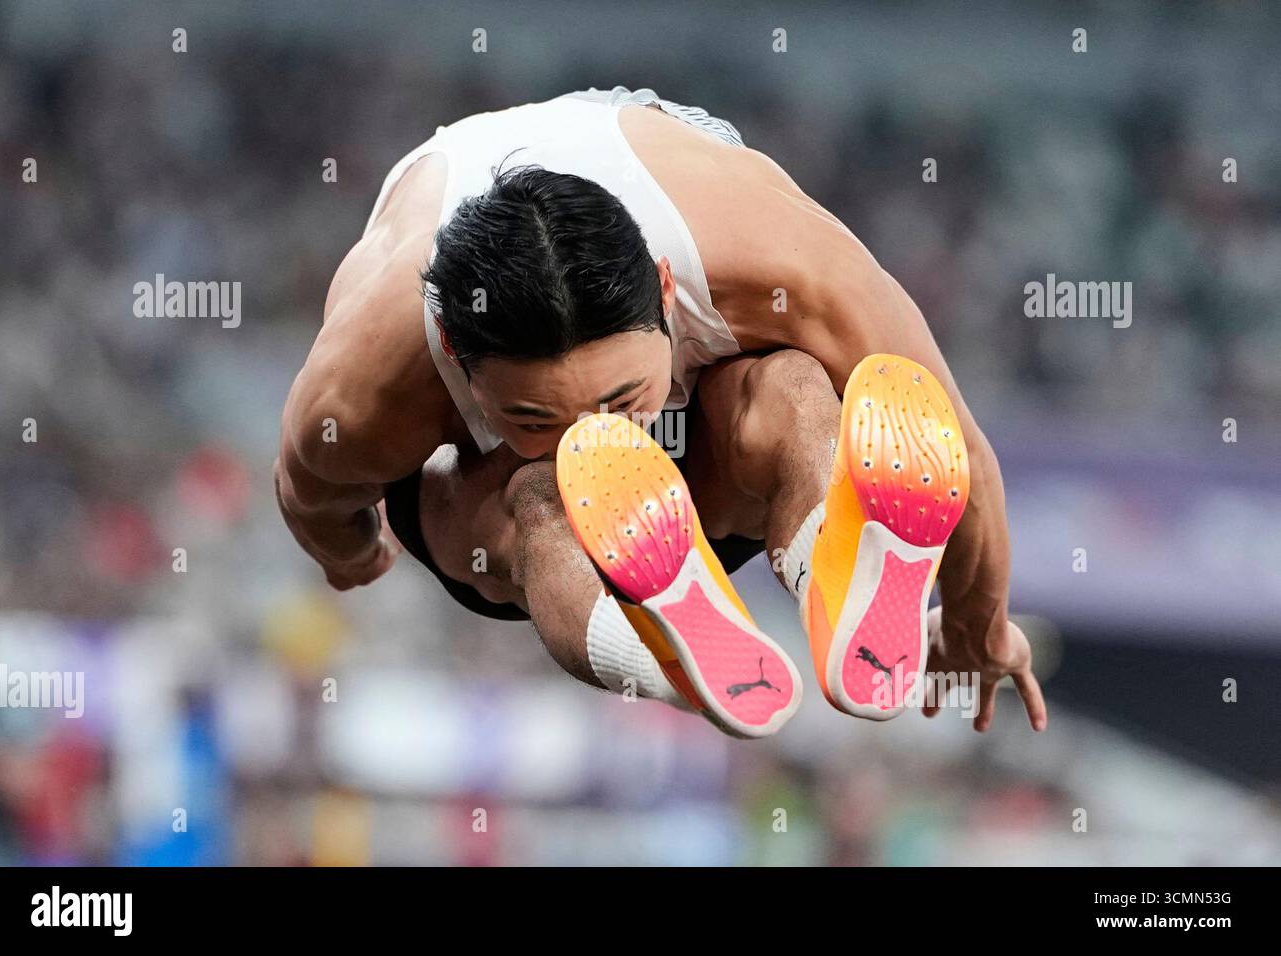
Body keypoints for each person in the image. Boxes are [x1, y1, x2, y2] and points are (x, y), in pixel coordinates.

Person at [273, 87, 1047, 738]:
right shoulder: (367, 383)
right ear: (451, 345)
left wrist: (979, 624)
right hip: (511, 522)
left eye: (619, 398)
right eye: (537, 414)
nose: (597, 441)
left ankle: (826, 573)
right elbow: (309, 492)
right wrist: (353, 554)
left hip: (704, 461)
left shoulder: (781, 260)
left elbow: (951, 446)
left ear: (667, 291)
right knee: (544, 495)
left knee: (798, 391)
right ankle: (680, 650)